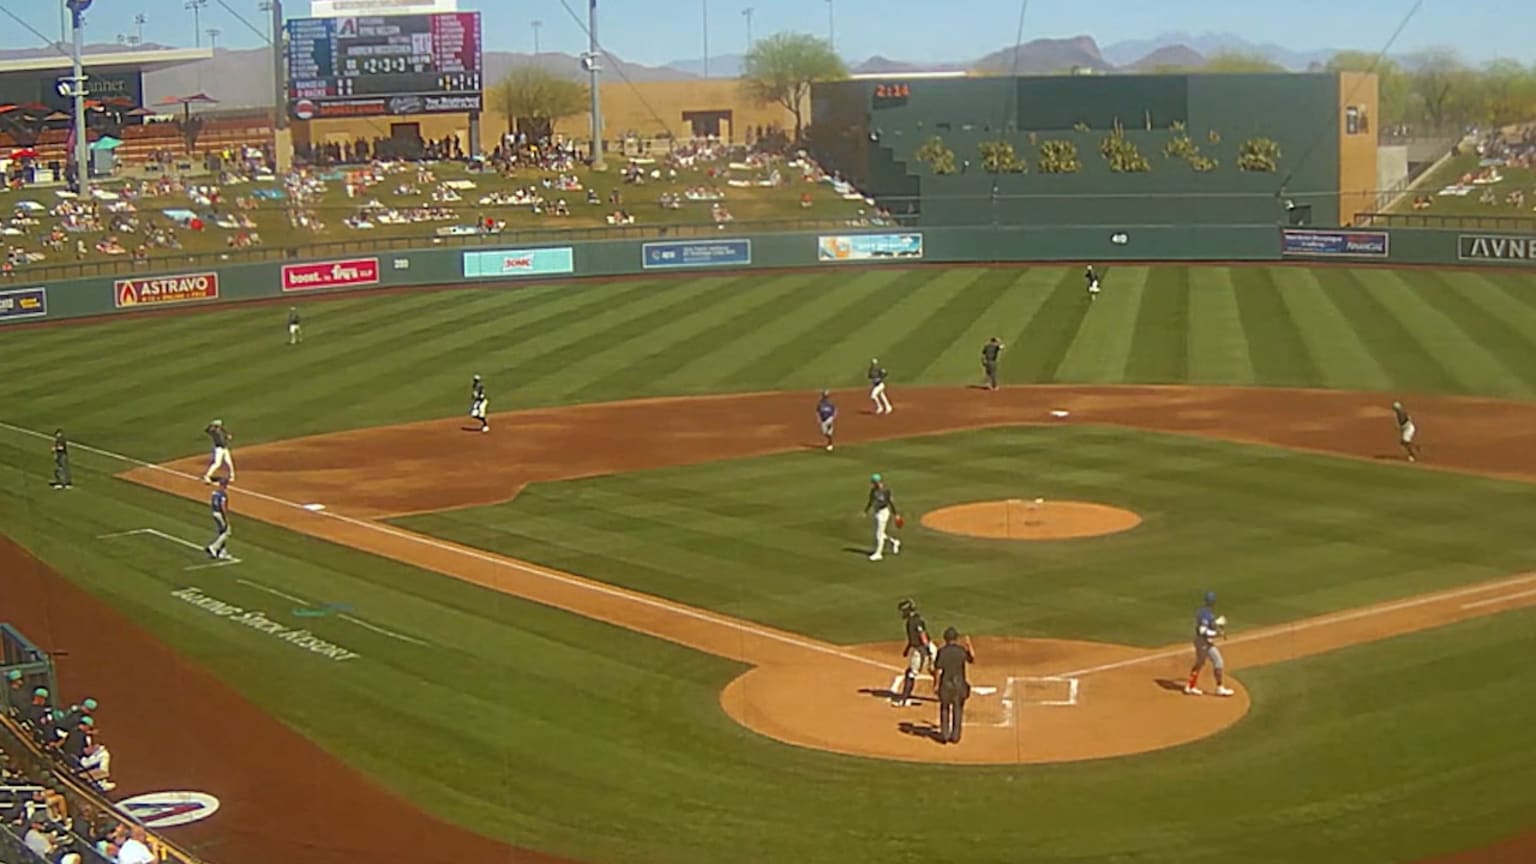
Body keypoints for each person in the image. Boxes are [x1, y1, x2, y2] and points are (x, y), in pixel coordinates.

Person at [1184, 591, 1234, 696]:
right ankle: (1219, 688)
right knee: (1218, 661)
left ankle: (1190, 686)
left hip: (1199, 641)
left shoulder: (1202, 611)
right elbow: (1203, 631)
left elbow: (1205, 624)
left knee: (1199, 663)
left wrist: (1216, 623)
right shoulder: (1207, 614)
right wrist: (1217, 633)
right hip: (1203, 643)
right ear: (1213, 601)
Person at [932, 626, 976, 744]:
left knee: (945, 708)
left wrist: (936, 685)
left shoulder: (942, 651)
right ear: (956, 638)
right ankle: (955, 736)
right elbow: (972, 658)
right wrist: (969, 645)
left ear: (945, 638)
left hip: (946, 685)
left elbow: (938, 670)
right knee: (958, 710)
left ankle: (945, 735)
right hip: (959, 685)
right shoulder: (961, 651)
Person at [889, 598, 934, 707]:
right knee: (934, 671)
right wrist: (907, 648)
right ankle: (946, 693)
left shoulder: (915, 621)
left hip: (921, 649)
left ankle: (903, 700)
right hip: (925, 647)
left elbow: (922, 635)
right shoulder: (914, 620)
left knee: (911, 673)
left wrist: (927, 651)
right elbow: (914, 637)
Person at [863, 473, 901, 561]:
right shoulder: (873, 491)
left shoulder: (886, 491)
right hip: (877, 512)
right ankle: (894, 542)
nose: (873, 484)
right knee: (881, 533)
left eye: (874, 482)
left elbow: (891, 503)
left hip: (883, 513)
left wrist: (896, 514)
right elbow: (871, 501)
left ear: (877, 482)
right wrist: (866, 511)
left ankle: (878, 554)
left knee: (879, 534)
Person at [205, 477, 232, 560]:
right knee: (227, 532)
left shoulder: (214, 493)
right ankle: (213, 547)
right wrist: (226, 518)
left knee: (222, 532)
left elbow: (212, 503)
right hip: (220, 514)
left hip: (214, 512)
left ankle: (222, 552)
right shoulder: (223, 494)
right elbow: (223, 506)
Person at [201, 419, 234, 484]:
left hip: (225, 449)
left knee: (229, 462)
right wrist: (211, 425)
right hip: (219, 449)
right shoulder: (213, 432)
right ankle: (207, 476)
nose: (220, 426)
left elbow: (226, 436)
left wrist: (228, 436)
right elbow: (207, 430)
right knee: (217, 464)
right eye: (219, 425)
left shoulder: (221, 431)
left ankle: (231, 476)